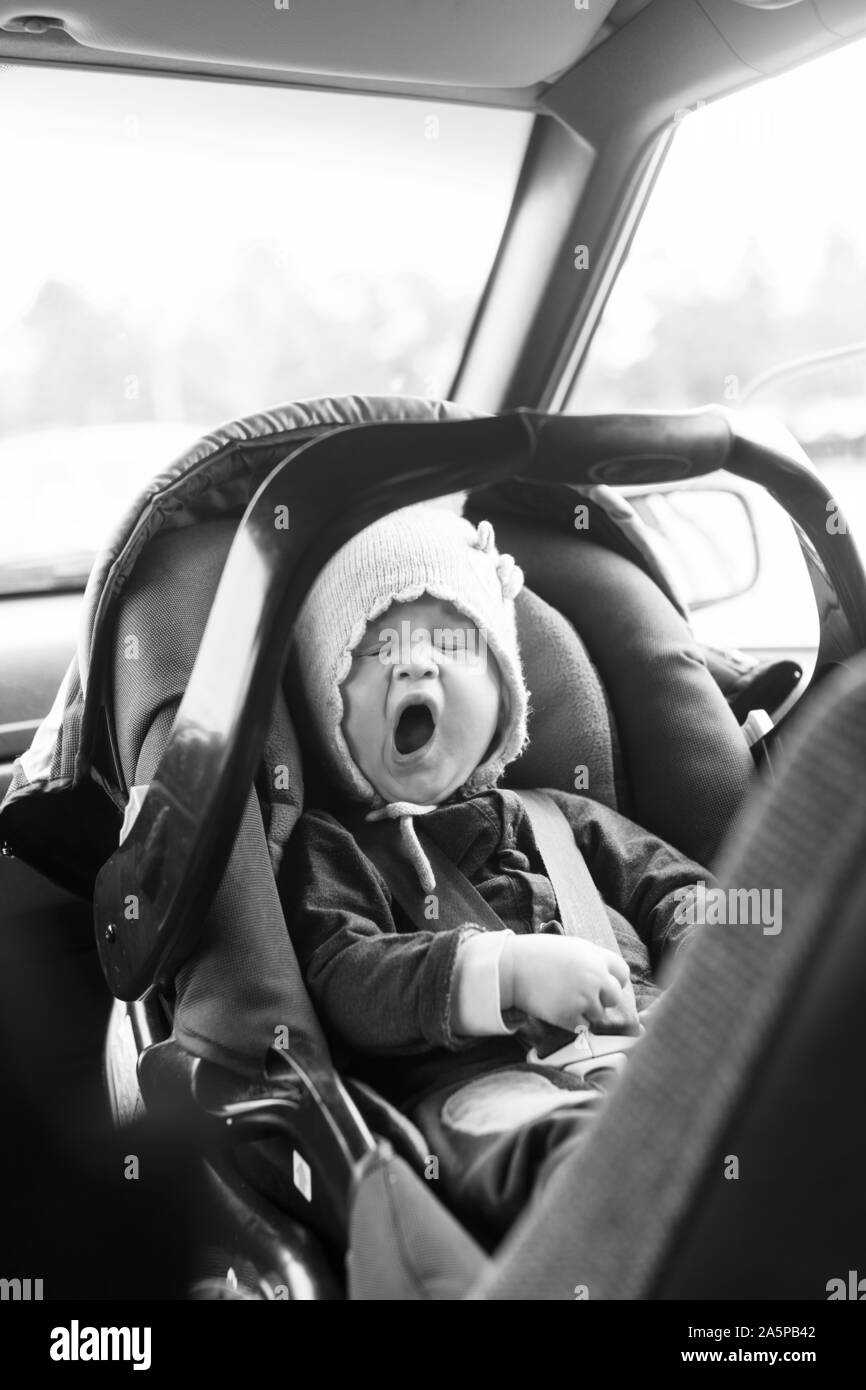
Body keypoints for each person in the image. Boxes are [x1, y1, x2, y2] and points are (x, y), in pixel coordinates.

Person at [284, 504, 717, 1245]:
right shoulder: (332, 850)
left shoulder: (561, 818)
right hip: (484, 1085)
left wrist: (714, 954)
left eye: (451, 640)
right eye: (373, 649)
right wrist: (503, 974)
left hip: (658, 1041)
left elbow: (674, 889)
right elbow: (343, 979)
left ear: (505, 689)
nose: (414, 663)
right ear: (327, 705)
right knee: (561, 1148)